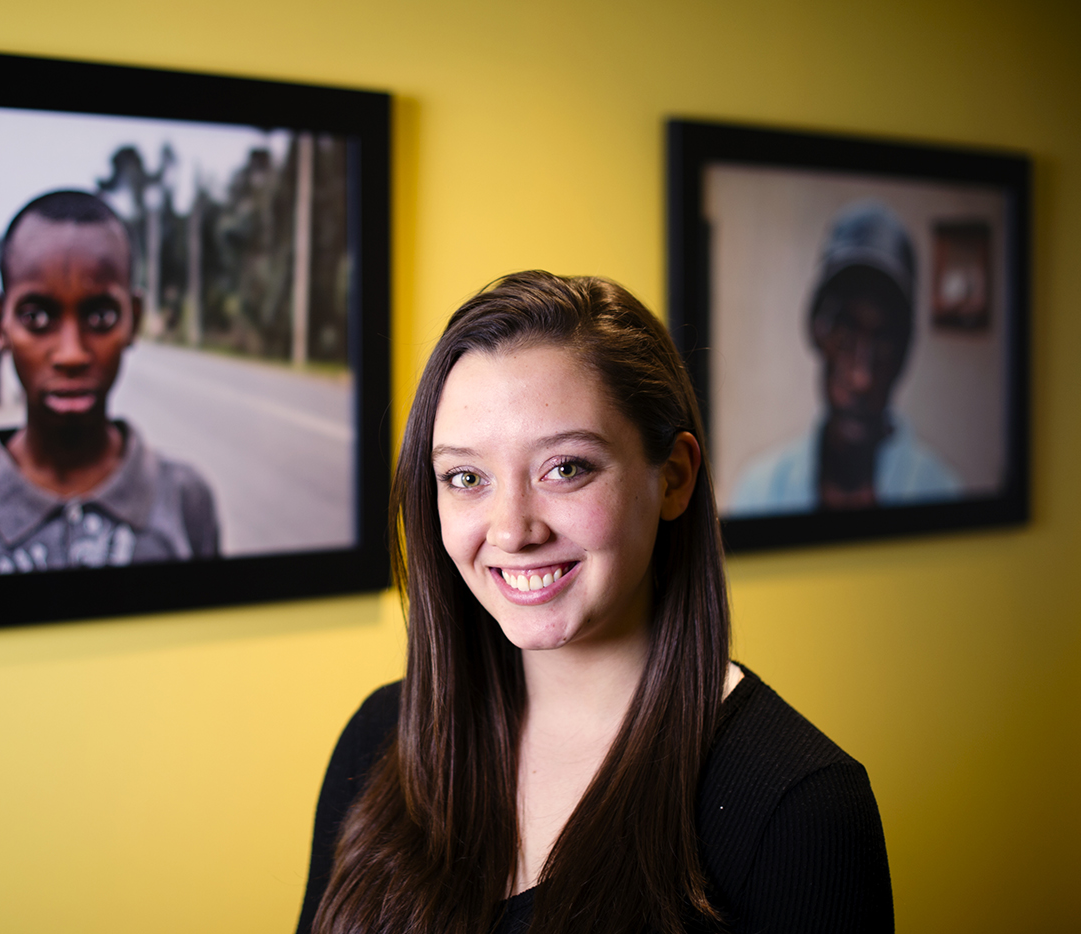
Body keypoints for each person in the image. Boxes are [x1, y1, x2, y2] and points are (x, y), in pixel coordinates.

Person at [297, 272, 893, 934]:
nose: (512, 529)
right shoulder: (380, 741)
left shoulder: (799, 808)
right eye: (467, 478)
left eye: (566, 468)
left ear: (674, 478)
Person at [0, 190, 219, 578]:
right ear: (1, 324)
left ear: (133, 319)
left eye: (99, 317)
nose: (71, 354)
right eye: (36, 317)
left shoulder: (185, 501)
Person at [733, 200, 960, 514]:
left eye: (883, 342)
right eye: (845, 334)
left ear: (904, 354)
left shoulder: (942, 493)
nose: (861, 378)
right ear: (817, 330)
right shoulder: (759, 494)